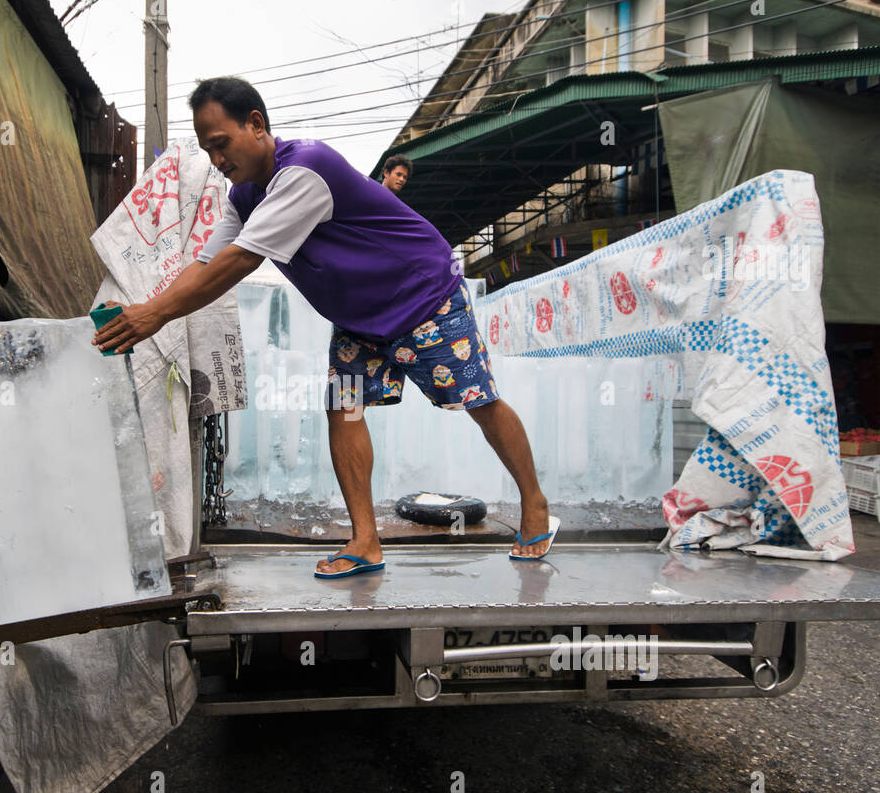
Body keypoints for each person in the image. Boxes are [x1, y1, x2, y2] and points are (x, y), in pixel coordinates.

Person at [93, 76, 555, 577]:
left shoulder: (304, 171)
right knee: (344, 409)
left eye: (222, 144)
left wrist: (154, 315)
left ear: (256, 124)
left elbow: (239, 262)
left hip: (422, 295)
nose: (218, 160)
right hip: (360, 320)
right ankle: (365, 542)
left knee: (477, 401)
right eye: (208, 151)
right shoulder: (243, 198)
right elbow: (205, 264)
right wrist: (144, 307)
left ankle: (534, 504)